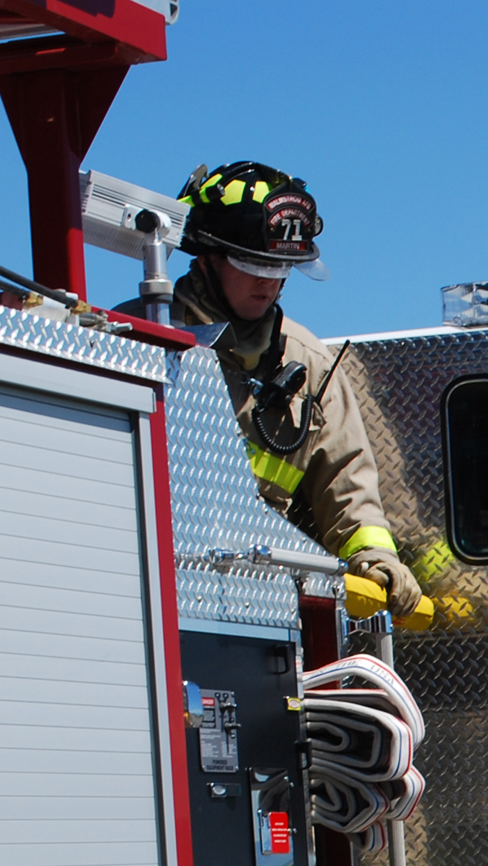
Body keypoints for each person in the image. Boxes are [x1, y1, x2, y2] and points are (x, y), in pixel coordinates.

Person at [164, 161, 425, 626]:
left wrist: (376, 558)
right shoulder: (137, 343)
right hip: (159, 589)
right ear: (206, 256)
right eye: (253, 265)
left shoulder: (310, 364)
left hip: (261, 608)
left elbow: (348, 483)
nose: (269, 282)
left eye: (281, 266)